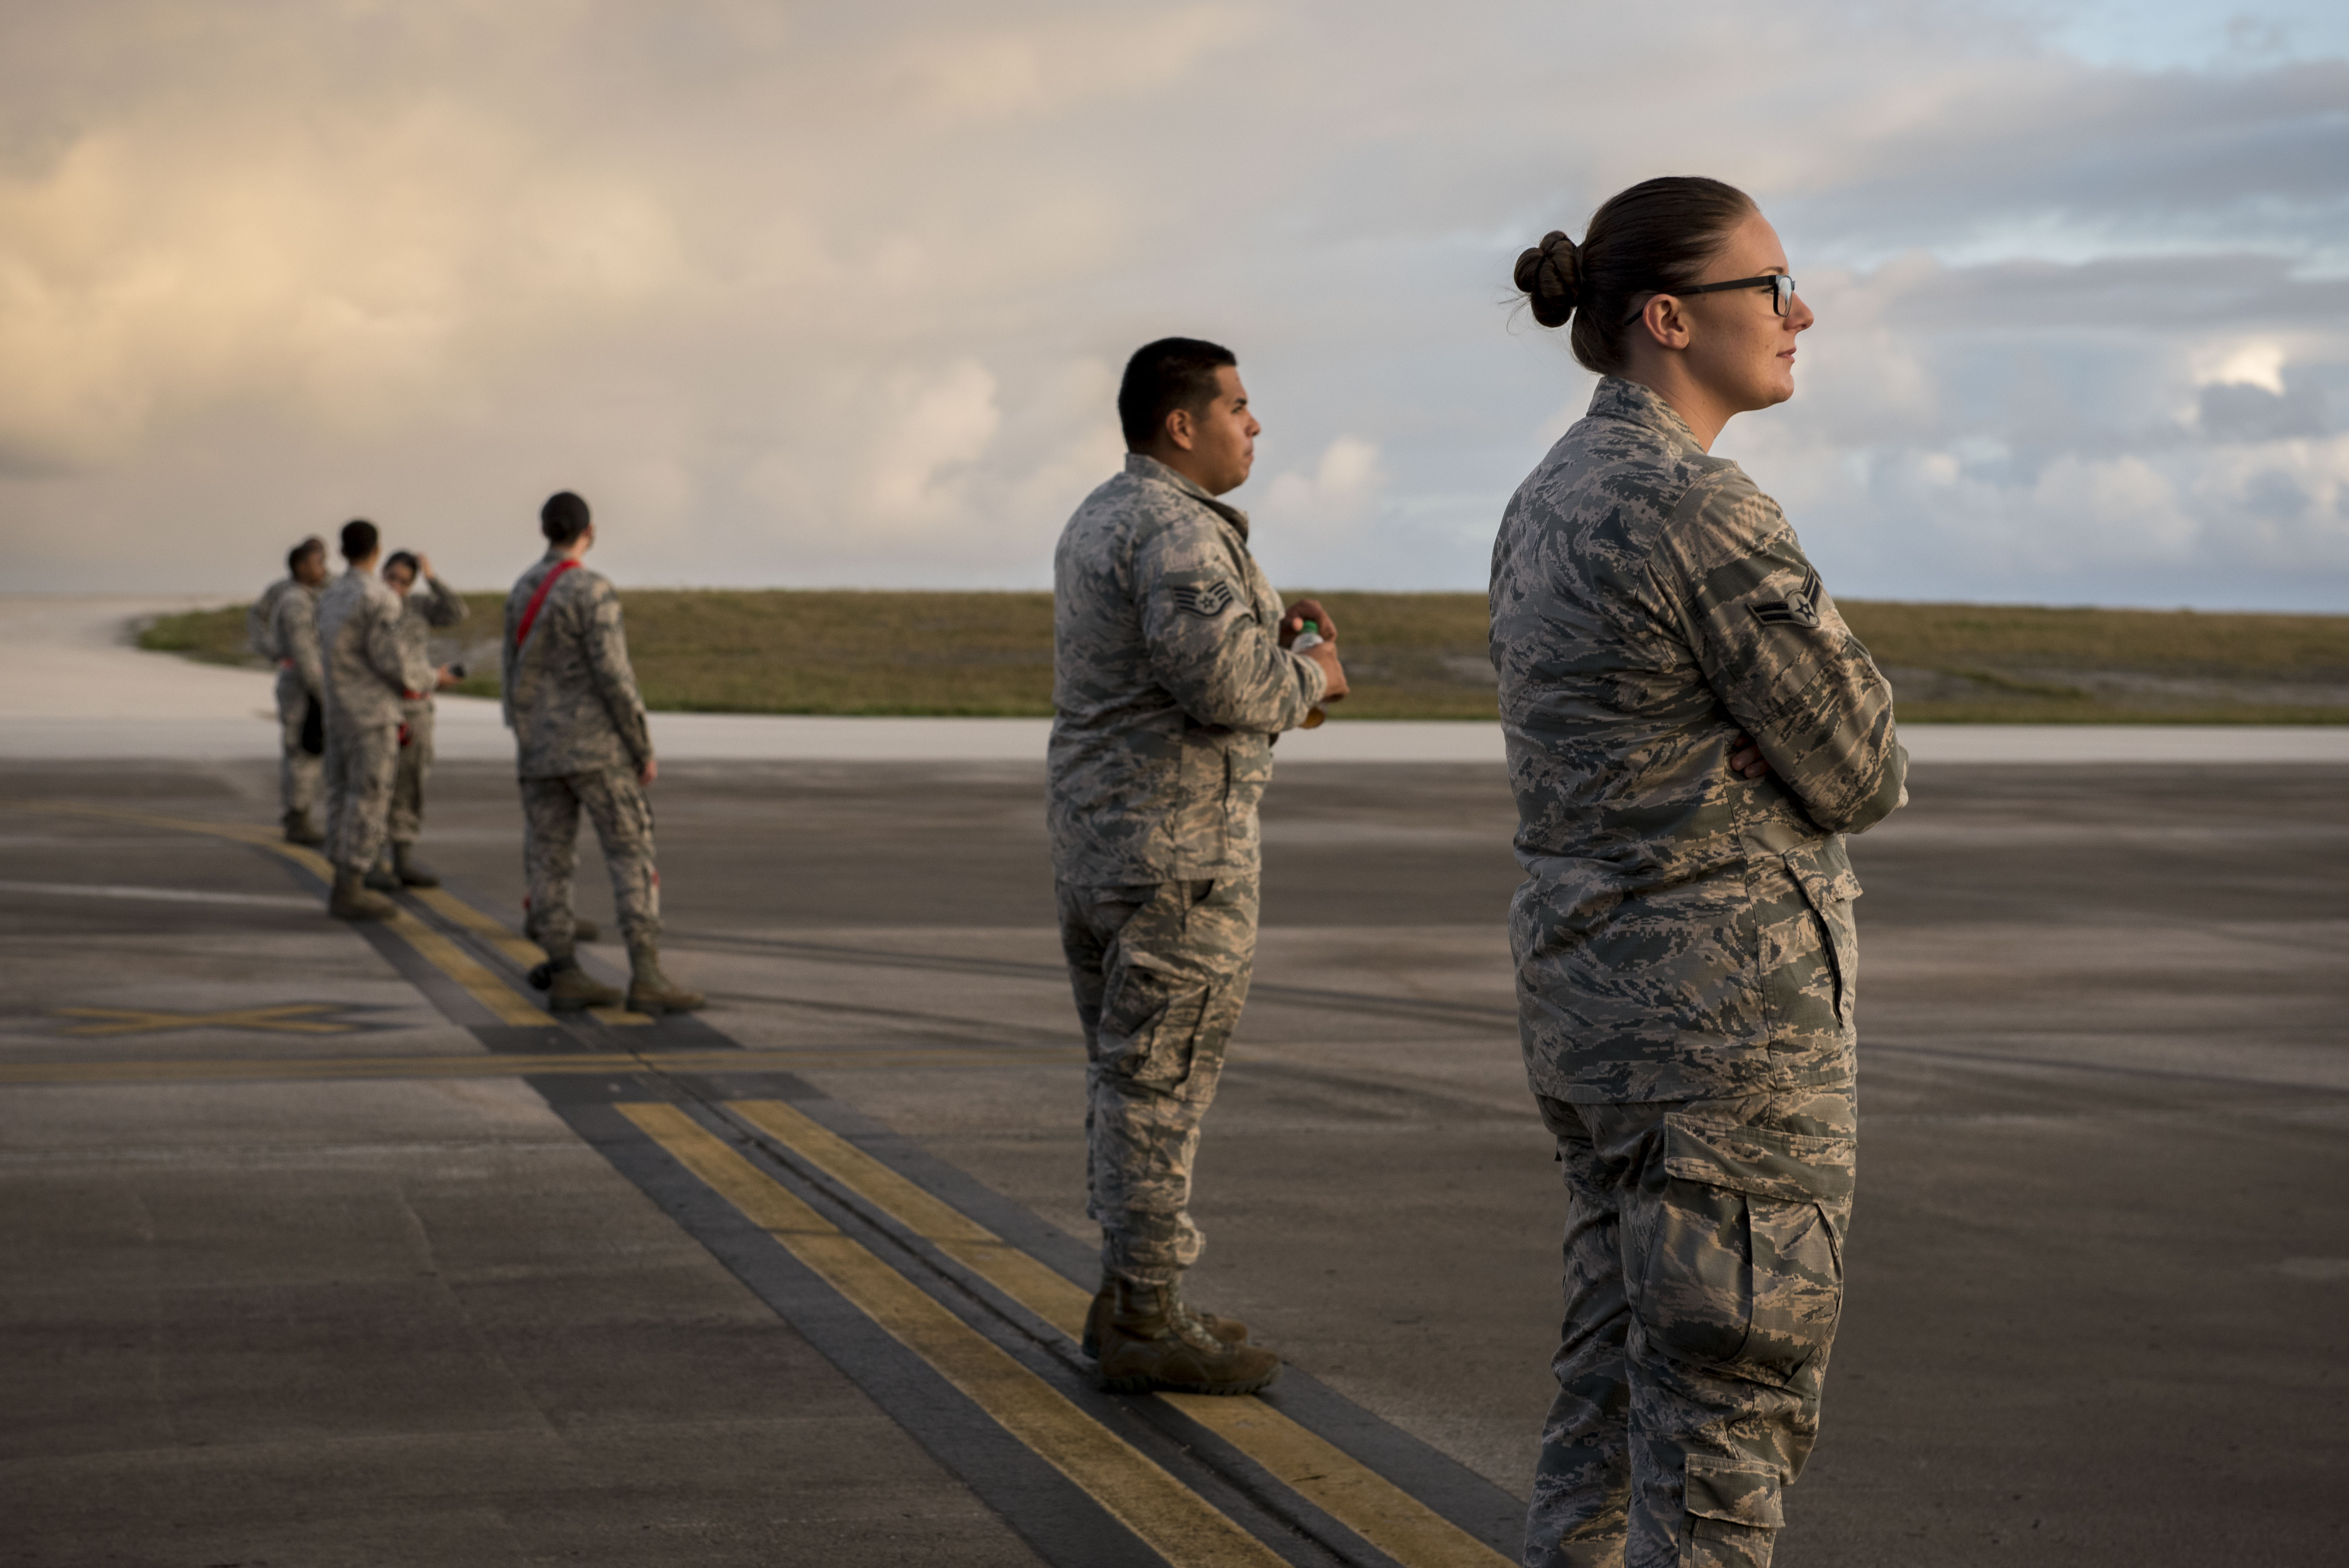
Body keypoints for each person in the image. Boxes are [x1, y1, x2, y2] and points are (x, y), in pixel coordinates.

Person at [1492, 178, 1908, 1568]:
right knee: (1725, 1417)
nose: (1799, 313)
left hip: (1594, 1015)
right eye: (1768, 287)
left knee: (1607, 1387)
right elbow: (1859, 766)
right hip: (1721, 1043)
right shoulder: (1696, 511)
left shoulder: (1544, 495)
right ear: (1668, 319)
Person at [1048, 337, 1347, 1397]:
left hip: (1104, 850)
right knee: (1158, 1089)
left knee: (1129, 1080)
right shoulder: (1177, 531)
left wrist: (1270, 633)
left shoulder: (1102, 514)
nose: (1253, 424)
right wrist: (1308, 669)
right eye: (1238, 405)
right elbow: (1225, 688)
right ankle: (1146, 1313)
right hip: (1178, 857)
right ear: (1183, 425)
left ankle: (1130, 1288)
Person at [502, 491, 700, 1015]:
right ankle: (648, 973)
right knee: (630, 856)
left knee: (548, 862)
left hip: (539, 752)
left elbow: (510, 672)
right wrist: (641, 746)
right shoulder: (593, 590)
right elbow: (614, 675)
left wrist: (524, 736)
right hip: (596, 750)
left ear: (546, 529)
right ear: (590, 531)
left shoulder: (523, 589)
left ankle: (566, 970)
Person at [316, 520, 452, 920]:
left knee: (341, 795)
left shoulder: (330, 596)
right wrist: (434, 678)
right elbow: (395, 663)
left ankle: (343, 875)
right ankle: (352, 885)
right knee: (369, 796)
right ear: (376, 552)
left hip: (338, 712)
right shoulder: (379, 598)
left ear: (342, 552)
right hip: (373, 714)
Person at [378, 550, 470, 887]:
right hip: (385, 705)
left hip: (417, 708)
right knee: (378, 785)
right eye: (391, 577)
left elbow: (457, 612)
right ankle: (373, 859)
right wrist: (435, 677)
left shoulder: (418, 607)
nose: (396, 586)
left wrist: (432, 579)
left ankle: (403, 858)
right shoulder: (371, 608)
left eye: (404, 581)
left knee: (411, 784)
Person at [250, 538, 330, 844]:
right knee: (301, 751)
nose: (323, 569)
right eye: (317, 563)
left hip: (303, 682)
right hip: (301, 686)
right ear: (301, 567)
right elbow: (304, 652)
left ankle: (298, 814)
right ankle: (297, 818)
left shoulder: (308, 596)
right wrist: (323, 695)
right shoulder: (296, 601)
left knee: (306, 752)